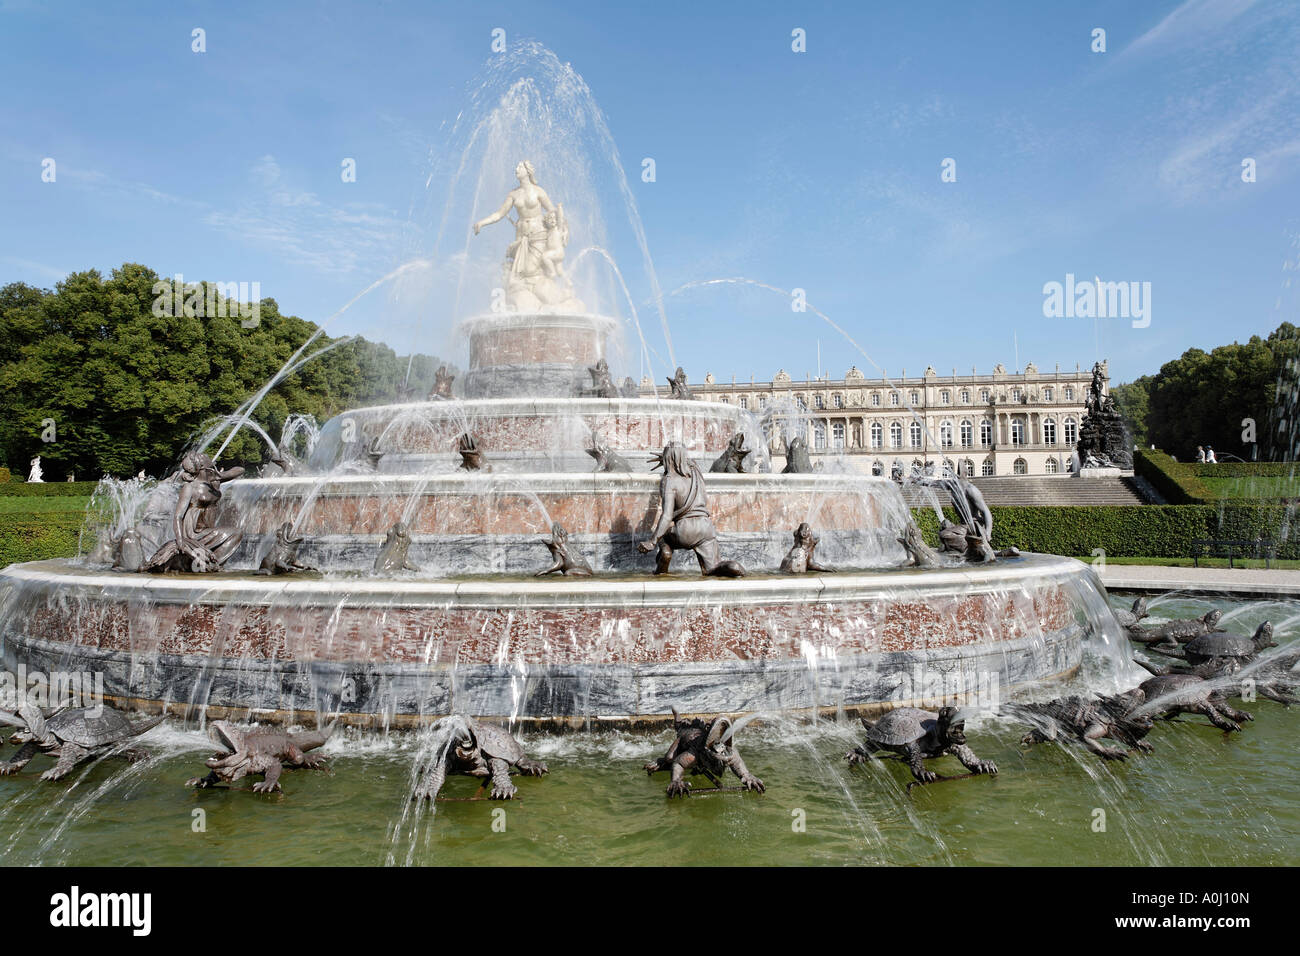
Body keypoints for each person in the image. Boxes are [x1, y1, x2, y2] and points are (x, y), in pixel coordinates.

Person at [637, 442, 744, 576]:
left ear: (667, 458)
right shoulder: (695, 470)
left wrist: (652, 542)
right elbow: (685, 459)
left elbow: (667, 516)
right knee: (712, 569)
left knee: (663, 537)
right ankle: (732, 566)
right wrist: (673, 455)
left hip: (684, 531)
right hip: (706, 529)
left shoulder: (669, 480)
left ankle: (664, 562)